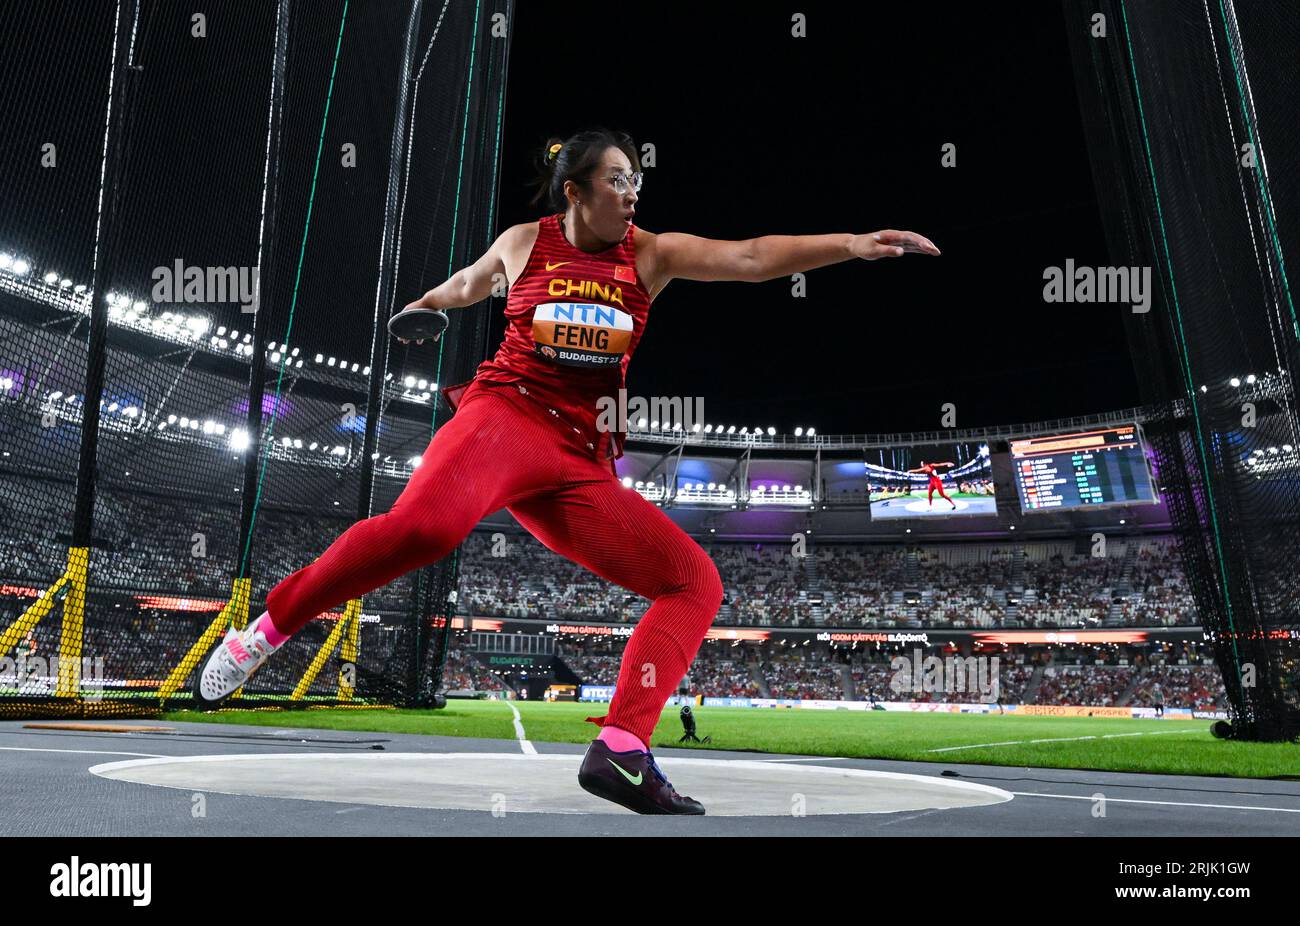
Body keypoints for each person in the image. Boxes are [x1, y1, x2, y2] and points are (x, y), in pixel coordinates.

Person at [196, 126, 939, 814]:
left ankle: (621, 749)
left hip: (579, 461)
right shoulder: (525, 243)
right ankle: (265, 630)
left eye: (637, 180)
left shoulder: (649, 254)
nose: (632, 193)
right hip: (504, 417)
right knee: (425, 530)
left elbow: (748, 258)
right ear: (574, 191)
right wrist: (428, 303)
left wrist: (850, 242)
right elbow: (469, 283)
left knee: (694, 582)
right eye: (617, 180)